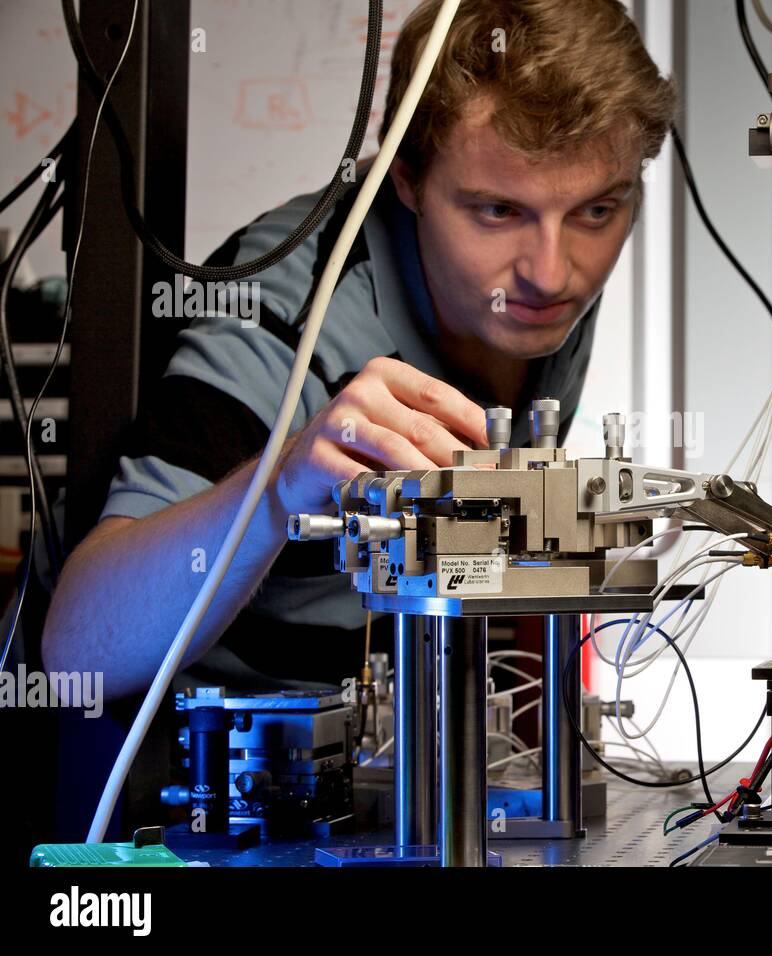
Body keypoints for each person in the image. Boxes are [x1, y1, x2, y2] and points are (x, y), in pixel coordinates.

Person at [41, 0, 677, 699]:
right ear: (405, 178)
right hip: (167, 759)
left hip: (373, 740)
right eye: (498, 211)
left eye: (597, 209)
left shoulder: (535, 285)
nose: (553, 273)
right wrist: (279, 488)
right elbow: (78, 651)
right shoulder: (282, 311)